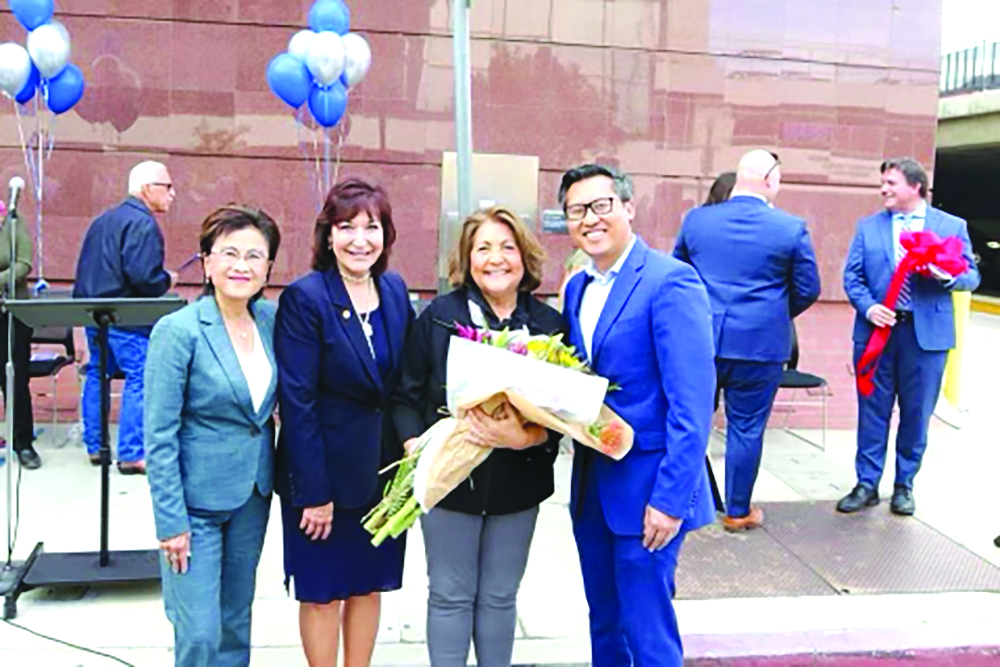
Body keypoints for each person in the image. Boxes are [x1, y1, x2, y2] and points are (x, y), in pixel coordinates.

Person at [392, 205, 563, 667]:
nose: (496, 258)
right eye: (483, 248)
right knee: (450, 594)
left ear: (524, 256)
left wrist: (526, 438)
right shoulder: (439, 318)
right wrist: (417, 448)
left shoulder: (549, 326)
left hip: (518, 484)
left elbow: (561, 418)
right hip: (449, 482)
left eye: (507, 247)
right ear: (467, 259)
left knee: (500, 595)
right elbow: (405, 396)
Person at [560, 164, 716, 667]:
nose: (589, 219)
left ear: (628, 207)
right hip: (592, 487)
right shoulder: (576, 288)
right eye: (576, 211)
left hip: (649, 490)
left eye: (600, 205)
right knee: (604, 625)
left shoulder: (670, 282)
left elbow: (692, 404)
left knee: (647, 633)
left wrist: (671, 499)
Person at [274, 178, 413, 667]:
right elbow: (298, 402)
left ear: (386, 234)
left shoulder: (394, 290)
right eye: (347, 227)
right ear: (328, 235)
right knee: (322, 593)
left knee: (367, 586)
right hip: (325, 478)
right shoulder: (306, 298)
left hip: (383, 474)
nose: (360, 240)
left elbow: (403, 384)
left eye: (371, 227)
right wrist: (314, 493)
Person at [145, 205, 282, 666]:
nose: (242, 265)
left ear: (268, 268)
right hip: (194, 508)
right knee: (200, 632)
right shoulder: (178, 331)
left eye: (254, 256)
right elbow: (159, 434)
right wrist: (170, 522)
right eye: (229, 253)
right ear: (206, 262)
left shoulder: (271, 322)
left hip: (252, 496)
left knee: (235, 623)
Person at [674, 150, 821, 531]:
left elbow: (678, 278)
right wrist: (772, 315)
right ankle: (737, 511)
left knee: (691, 421)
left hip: (701, 341)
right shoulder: (790, 228)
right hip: (759, 347)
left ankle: (685, 502)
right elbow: (808, 288)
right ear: (769, 179)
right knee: (746, 428)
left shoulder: (697, 220)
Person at [839, 157, 979, 516]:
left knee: (917, 414)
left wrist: (944, 275)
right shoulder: (868, 227)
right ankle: (866, 484)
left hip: (926, 337)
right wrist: (869, 308)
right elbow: (852, 277)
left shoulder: (951, 226)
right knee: (873, 411)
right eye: (882, 183)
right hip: (877, 333)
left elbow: (970, 276)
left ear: (915, 186)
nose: (883, 189)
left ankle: (904, 485)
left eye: (891, 183)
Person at [74, 161, 178, 474]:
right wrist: (166, 280)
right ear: (147, 188)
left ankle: (96, 447)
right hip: (127, 317)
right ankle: (131, 453)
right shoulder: (143, 224)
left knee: (97, 374)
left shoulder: (103, 220)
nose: (173, 193)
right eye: (167, 186)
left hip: (93, 314)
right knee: (140, 376)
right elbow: (144, 278)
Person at [0, 203, 40, 469]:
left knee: (14, 378)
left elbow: (24, 263)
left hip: (11, 313)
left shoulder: (13, 221)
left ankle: (23, 443)